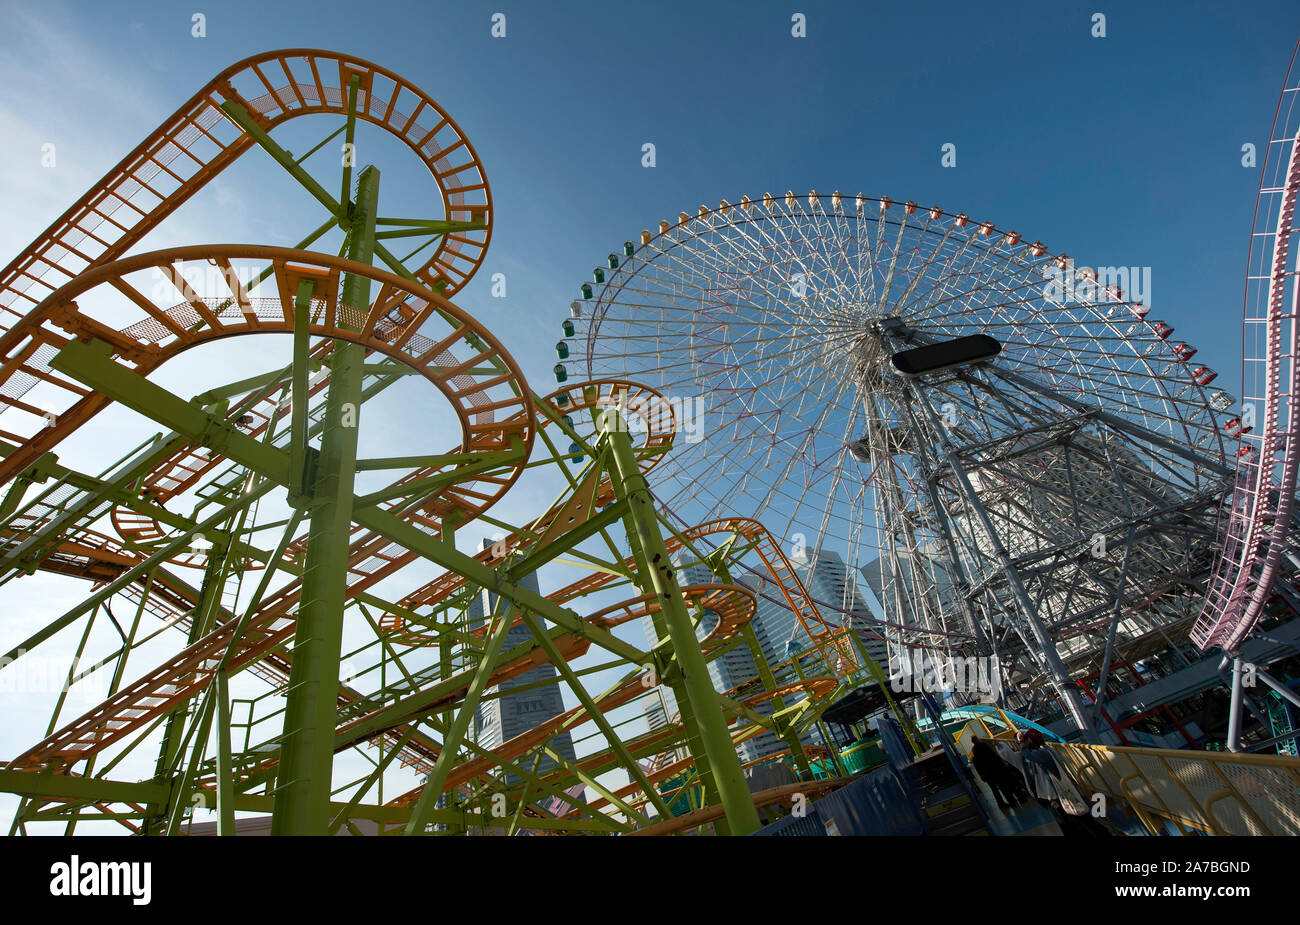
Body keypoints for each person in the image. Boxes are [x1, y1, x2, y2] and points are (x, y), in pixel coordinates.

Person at [968, 736, 1025, 811]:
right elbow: (996, 758)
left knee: (999, 790)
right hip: (999, 771)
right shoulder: (986, 749)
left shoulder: (975, 756)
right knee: (1009, 784)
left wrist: (983, 777)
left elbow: (979, 768)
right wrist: (1004, 766)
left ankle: (1009, 802)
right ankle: (1020, 798)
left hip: (989, 775)